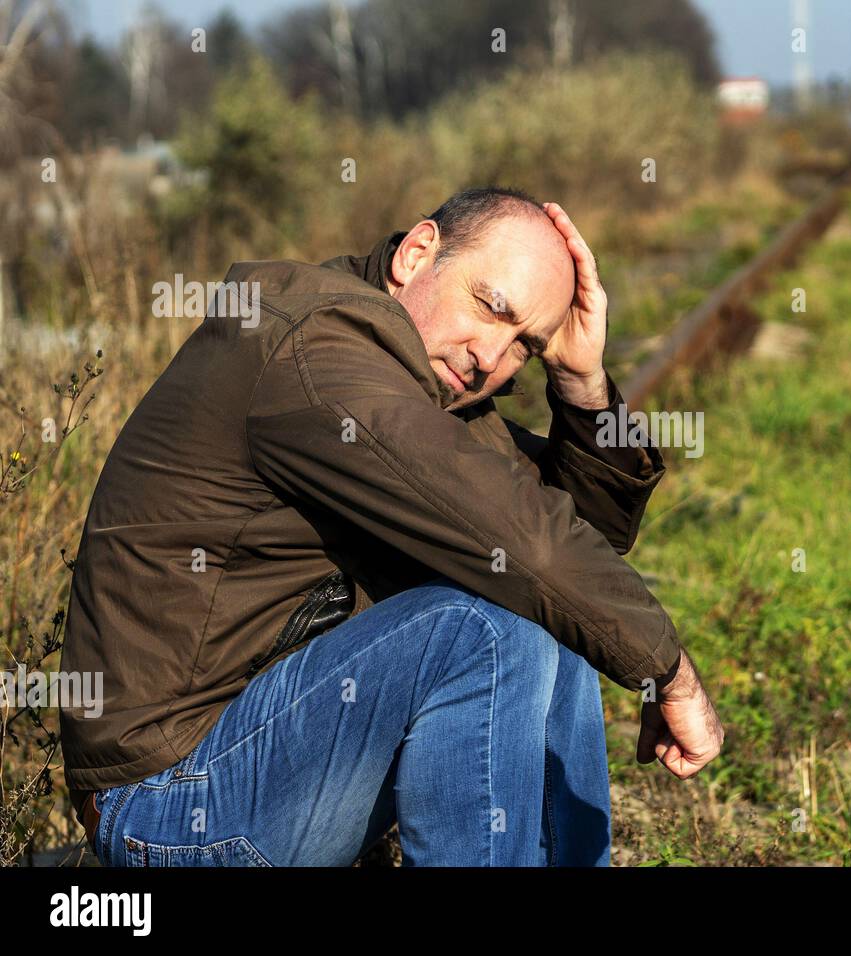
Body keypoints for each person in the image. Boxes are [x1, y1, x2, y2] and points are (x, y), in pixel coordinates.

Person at [59, 186, 724, 866]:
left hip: (259, 761)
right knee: (480, 632)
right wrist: (669, 675)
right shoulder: (315, 350)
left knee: (548, 606)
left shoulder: (431, 388)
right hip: (170, 803)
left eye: (524, 344)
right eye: (490, 306)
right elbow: (537, 548)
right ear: (417, 254)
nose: (491, 357)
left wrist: (582, 387)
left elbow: (578, 548)